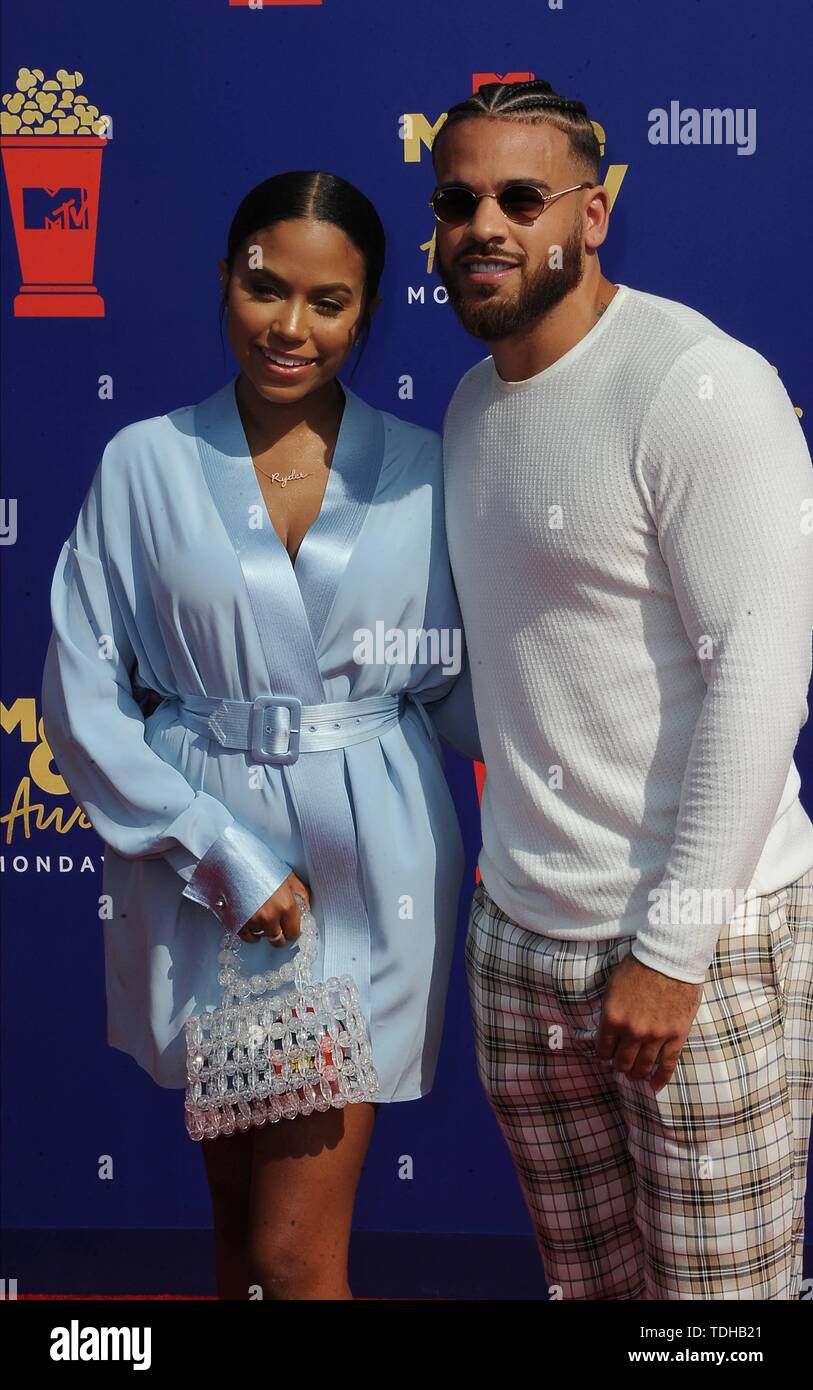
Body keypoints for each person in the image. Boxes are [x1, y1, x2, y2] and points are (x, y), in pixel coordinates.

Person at [41, 169, 482, 1301]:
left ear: (370, 310)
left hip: (366, 871)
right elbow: (85, 695)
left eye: (327, 302)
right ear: (223, 282)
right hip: (202, 864)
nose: (291, 327)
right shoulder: (144, 462)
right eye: (264, 289)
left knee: (295, 1256)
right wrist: (216, 851)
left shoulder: (433, 471)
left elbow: (469, 688)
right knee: (239, 1242)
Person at [434, 79, 813, 1300]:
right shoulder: (467, 406)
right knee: (589, 1293)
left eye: (520, 196)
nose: (484, 222)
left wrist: (675, 944)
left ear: (592, 216)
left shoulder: (697, 385)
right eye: (457, 199)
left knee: (718, 1321)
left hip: (691, 947)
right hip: (523, 944)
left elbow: (764, 673)